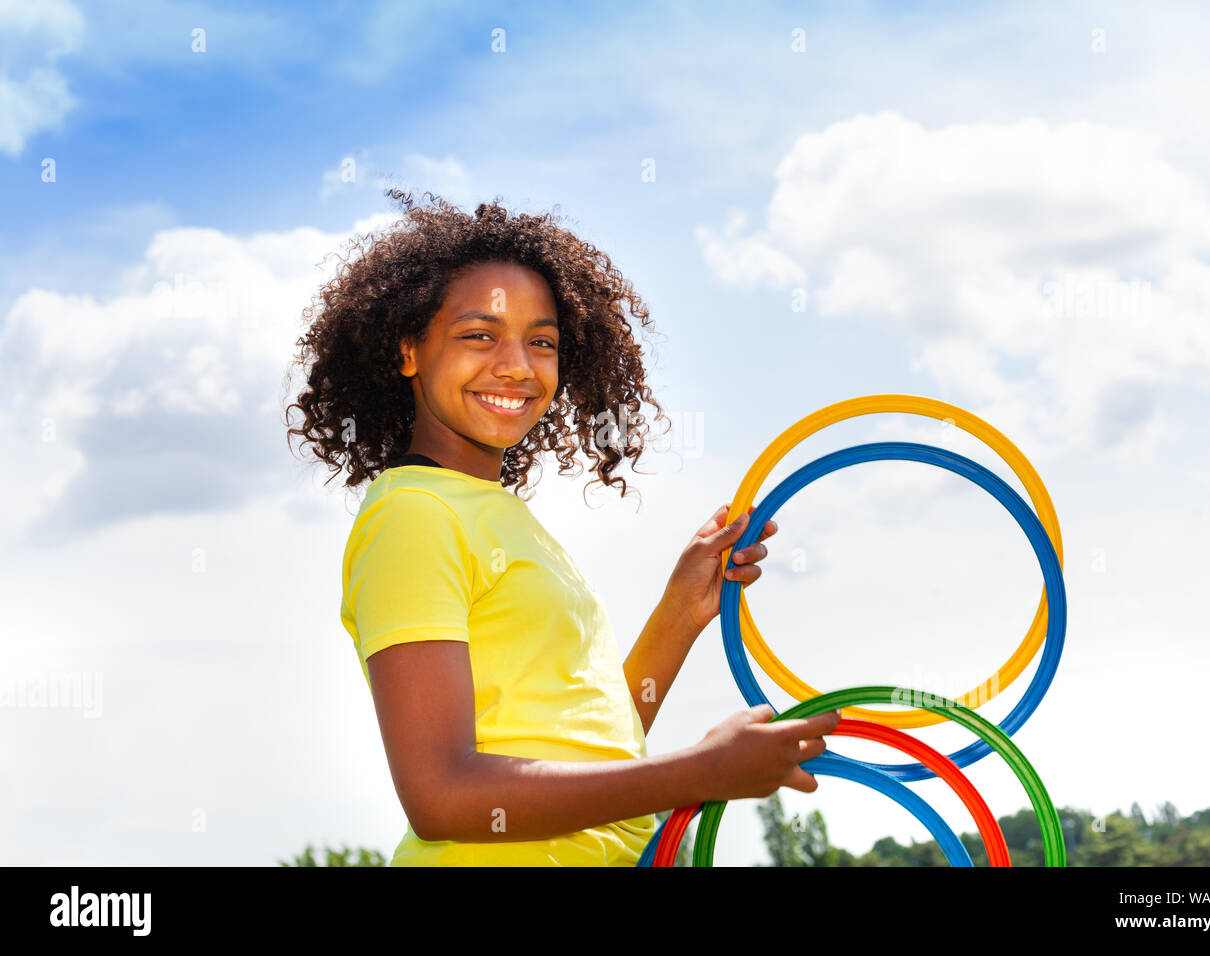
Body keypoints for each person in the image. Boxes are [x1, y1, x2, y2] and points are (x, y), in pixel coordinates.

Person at [285, 191, 839, 865]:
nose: (517, 364)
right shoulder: (414, 516)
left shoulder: (497, 515)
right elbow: (441, 797)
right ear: (407, 351)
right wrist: (702, 772)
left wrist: (680, 613)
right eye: (478, 335)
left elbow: (591, 745)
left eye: (540, 341)